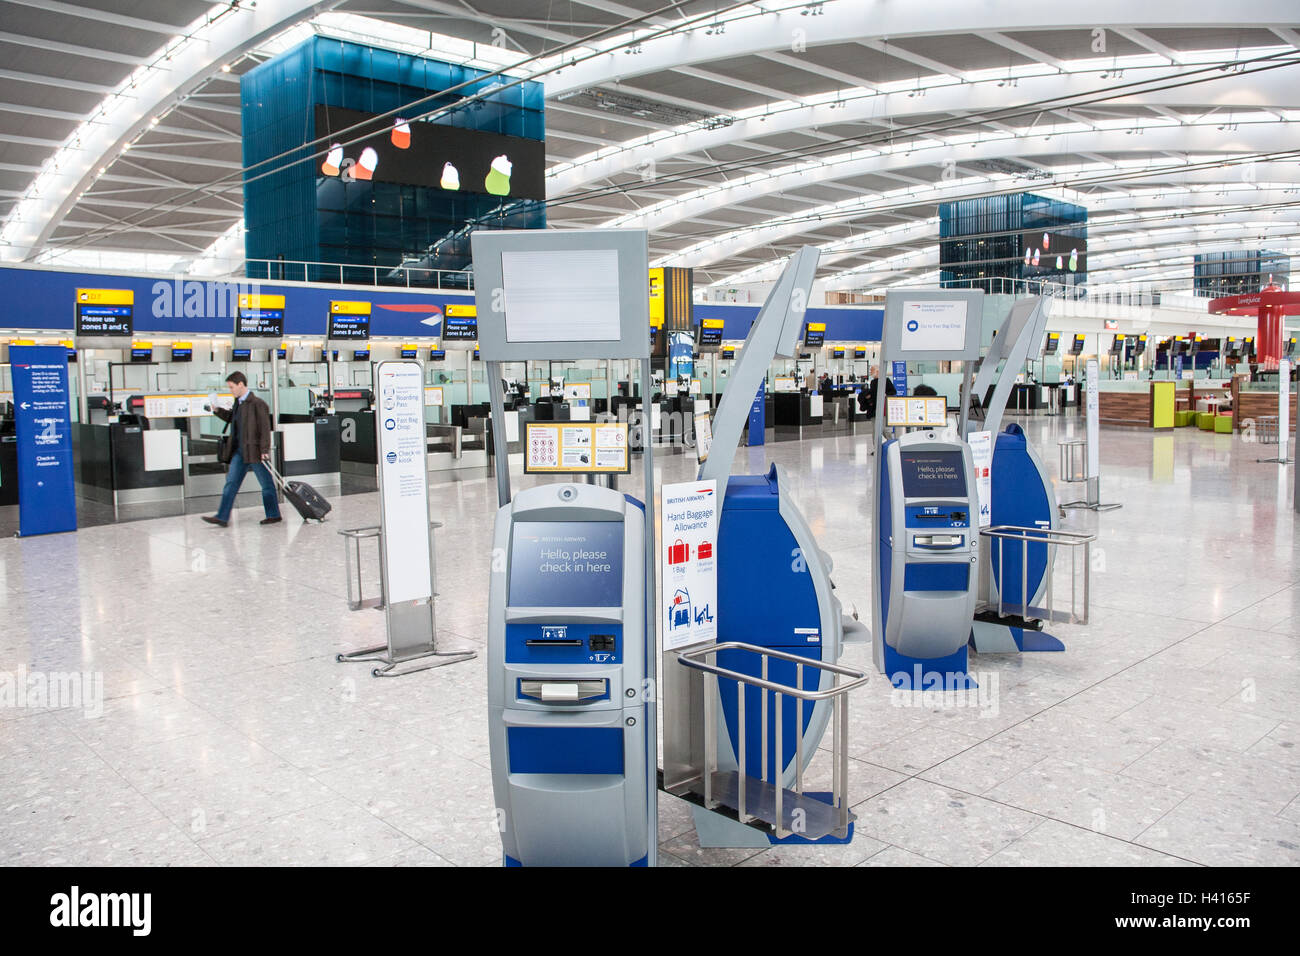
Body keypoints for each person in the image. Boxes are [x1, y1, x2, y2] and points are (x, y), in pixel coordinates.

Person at [203, 371, 281, 527]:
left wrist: (264, 450)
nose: (230, 390)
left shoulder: (258, 404)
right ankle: (222, 517)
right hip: (239, 451)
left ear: (241, 384)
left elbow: (265, 429)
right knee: (231, 483)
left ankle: (273, 514)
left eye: (232, 387)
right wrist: (217, 410)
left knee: (266, 484)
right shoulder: (238, 403)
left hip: (256, 451)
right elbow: (233, 419)